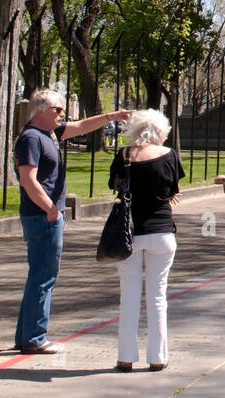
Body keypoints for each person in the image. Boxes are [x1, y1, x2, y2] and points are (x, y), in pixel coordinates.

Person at [14, 89, 130, 355]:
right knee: (43, 276)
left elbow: (81, 127)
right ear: (39, 111)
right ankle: (34, 338)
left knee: (39, 276)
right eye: (57, 110)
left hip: (45, 216)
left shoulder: (49, 133)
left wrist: (112, 116)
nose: (62, 115)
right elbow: (28, 180)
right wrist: (50, 209)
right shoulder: (31, 138)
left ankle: (25, 336)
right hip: (42, 217)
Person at [108, 109, 185, 371]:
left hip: (129, 233)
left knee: (128, 295)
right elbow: (173, 189)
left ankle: (126, 357)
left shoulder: (123, 156)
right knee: (157, 295)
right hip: (161, 231)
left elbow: (116, 186)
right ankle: (158, 357)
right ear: (161, 131)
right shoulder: (169, 156)